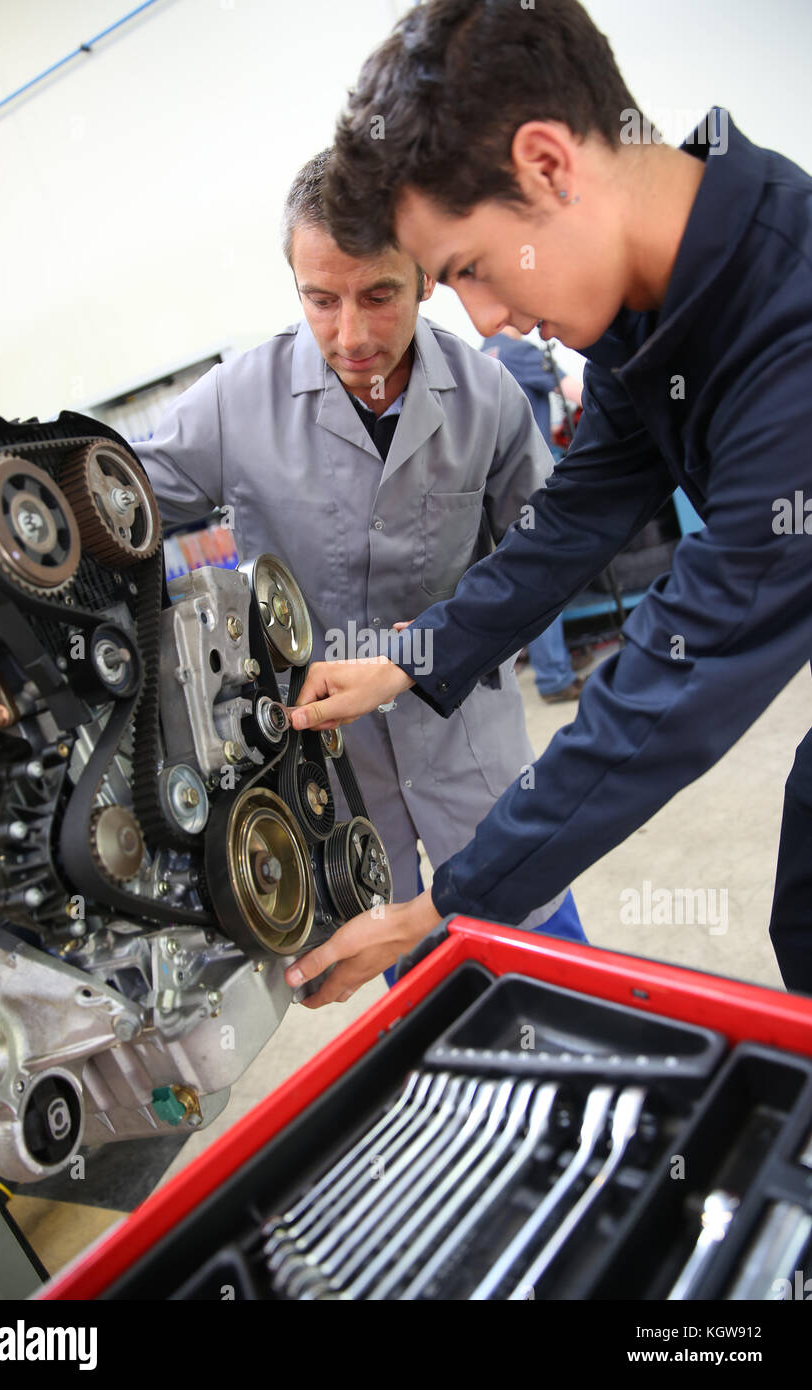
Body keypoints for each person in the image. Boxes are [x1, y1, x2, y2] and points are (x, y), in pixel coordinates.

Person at [282, 0, 812, 1008]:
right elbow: (567, 523)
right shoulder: (647, 311)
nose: (485, 317)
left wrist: (444, 903)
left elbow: (666, 687)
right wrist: (409, 656)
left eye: (470, 270)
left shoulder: (789, 331)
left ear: (546, 165)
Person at [132, 148, 585, 971]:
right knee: (424, 1022)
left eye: (379, 294)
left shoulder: (487, 402)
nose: (351, 334)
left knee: (557, 983)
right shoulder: (238, 401)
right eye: (320, 299)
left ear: (427, 277)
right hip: (337, 789)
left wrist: (446, 641)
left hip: (473, 760)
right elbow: (116, 500)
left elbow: (549, 556)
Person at [481, 326, 586, 702]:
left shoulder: (482, 354)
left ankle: (549, 665)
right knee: (543, 571)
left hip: (494, 486)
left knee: (522, 572)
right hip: (531, 479)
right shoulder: (519, 352)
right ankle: (555, 677)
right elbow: (575, 391)